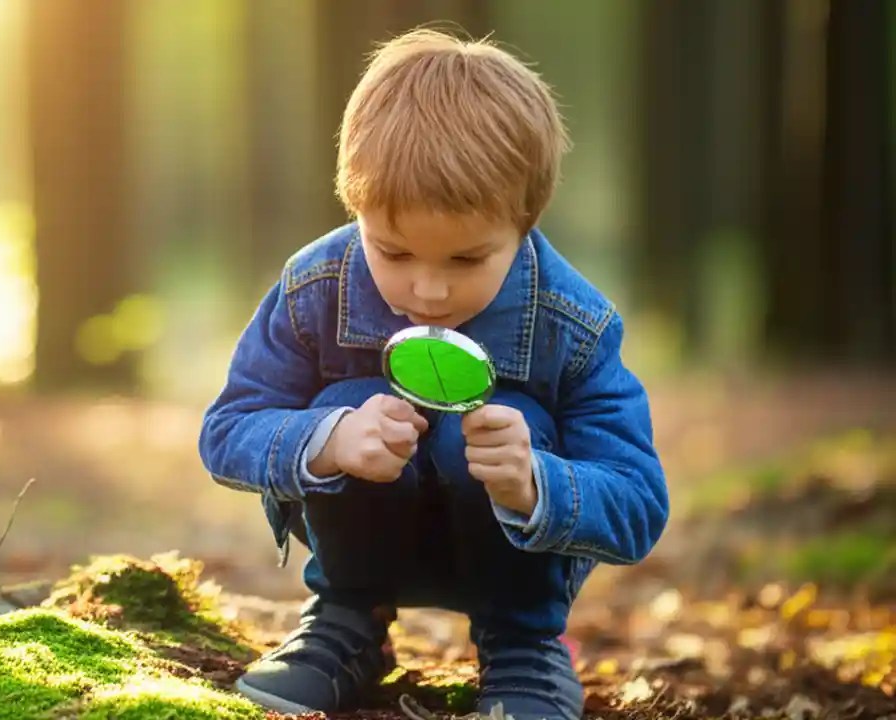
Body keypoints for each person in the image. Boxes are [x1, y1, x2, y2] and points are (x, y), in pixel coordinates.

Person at [198, 28, 668, 720]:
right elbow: (227, 429)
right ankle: (347, 625)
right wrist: (327, 440)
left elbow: (638, 501)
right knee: (352, 400)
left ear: (525, 224)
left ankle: (523, 646)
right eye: (393, 251)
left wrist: (536, 481)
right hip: (361, 544)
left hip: (513, 556)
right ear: (353, 206)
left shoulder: (573, 323)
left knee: (511, 427)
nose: (428, 291)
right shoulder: (314, 289)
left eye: (465, 260)